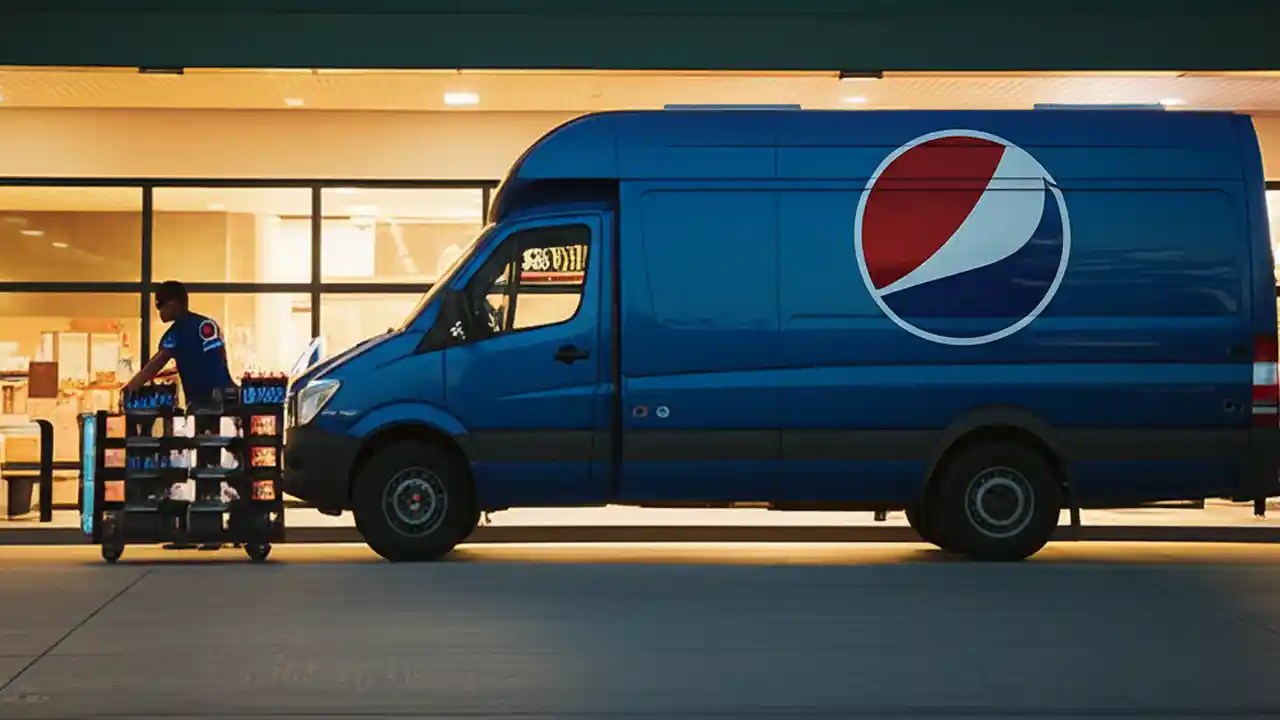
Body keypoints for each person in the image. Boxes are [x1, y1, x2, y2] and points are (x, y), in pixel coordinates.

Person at [124, 280, 233, 404]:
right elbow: (220, 357)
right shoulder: (205, 324)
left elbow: (156, 363)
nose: (159, 311)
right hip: (223, 395)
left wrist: (132, 386)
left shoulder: (176, 333)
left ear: (173, 304)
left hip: (202, 400)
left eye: (160, 304)